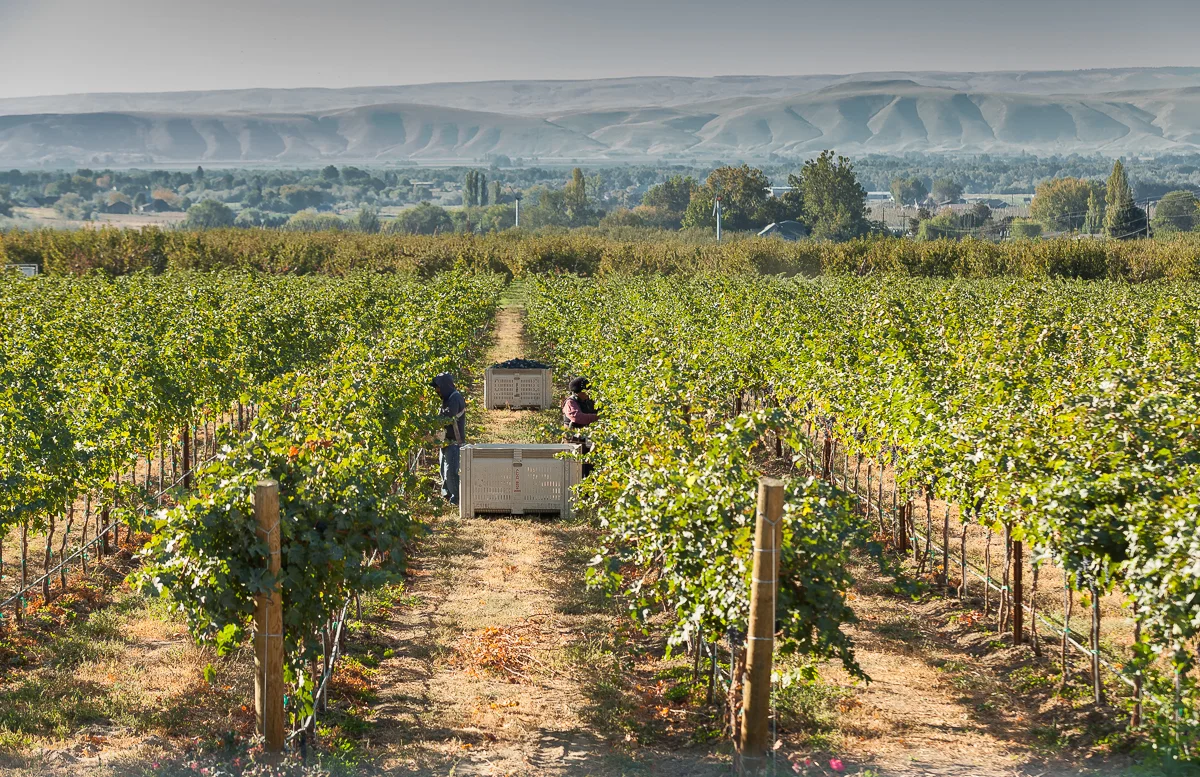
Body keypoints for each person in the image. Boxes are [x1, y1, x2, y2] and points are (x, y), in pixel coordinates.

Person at [431, 373, 466, 505]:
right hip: (446, 441)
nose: (436, 390)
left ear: (444, 386)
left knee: (450, 472)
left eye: (438, 387)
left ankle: (457, 499)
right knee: (443, 470)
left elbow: (447, 417)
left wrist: (429, 422)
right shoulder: (447, 398)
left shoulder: (455, 399)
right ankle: (447, 494)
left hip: (454, 442)